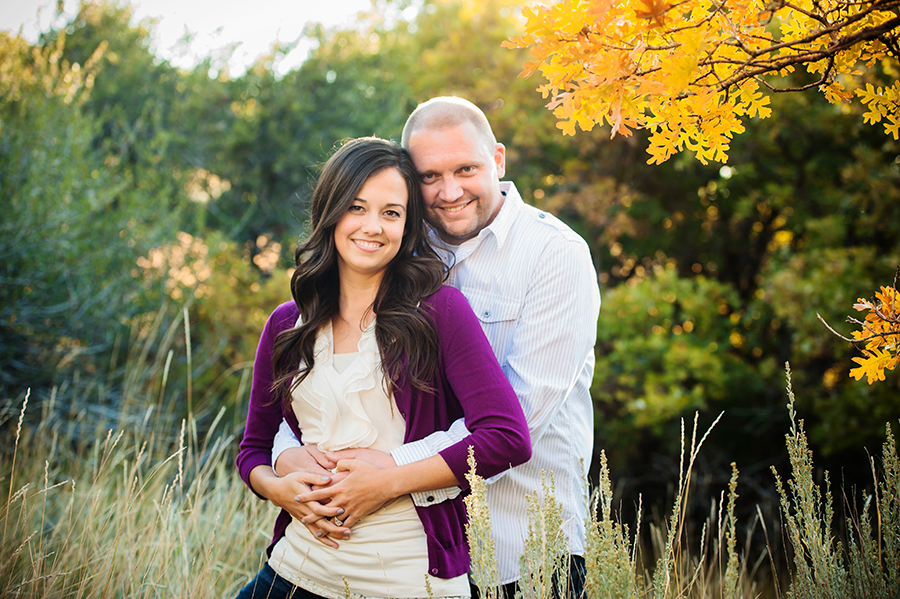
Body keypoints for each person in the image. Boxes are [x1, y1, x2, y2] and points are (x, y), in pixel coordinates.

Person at [274, 97, 601, 597]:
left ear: (498, 159)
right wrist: (289, 457)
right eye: (429, 177)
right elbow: (331, 375)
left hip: (522, 543)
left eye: (466, 169)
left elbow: (518, 422)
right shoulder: (398, 242)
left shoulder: (555, 256)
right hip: (409, 549)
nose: (450, 192)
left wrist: (388, 469)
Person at [235, 136, 532, 599]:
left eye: (391, 213)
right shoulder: (287, 323)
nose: (372, 226)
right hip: (295, 567)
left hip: (409, 579)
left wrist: (388, 480)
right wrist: (278, 489)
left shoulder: (439, 312)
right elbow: (252, 448)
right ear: (330, 211)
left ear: (407, 226)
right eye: (357, 207)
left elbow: (506, 437)